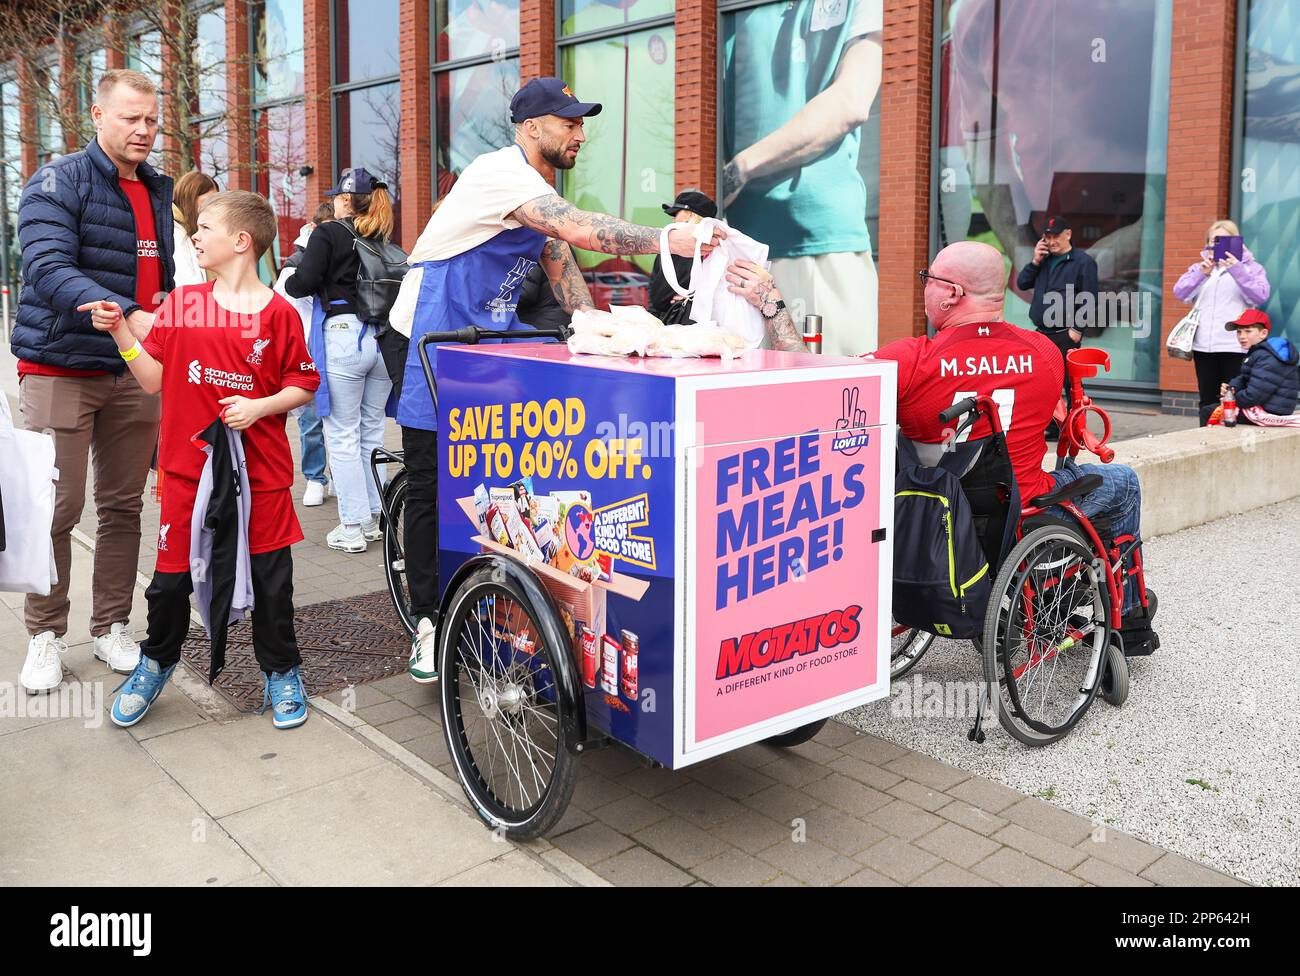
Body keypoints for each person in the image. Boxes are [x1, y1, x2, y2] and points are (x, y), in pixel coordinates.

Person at [395, 76, 725, 682]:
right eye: (568, 122)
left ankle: (497, 600)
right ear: (530, 128)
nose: (580, 133)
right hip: (434, 333)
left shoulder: (536, 186)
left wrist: (594, 328)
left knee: (497, 474)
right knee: (430, 483)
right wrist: (670, 239)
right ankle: (426, 623)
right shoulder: (500, 172)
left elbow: (559, 257)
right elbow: (574, 228)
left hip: (489, 342)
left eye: (582, 123)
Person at [81, 190, 320, 729]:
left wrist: (260, 405)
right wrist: (121, 332)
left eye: (205, 226)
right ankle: (156, 661)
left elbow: (304, 383)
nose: (195, 235)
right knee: (169, 582)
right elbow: (153, 380)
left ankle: (281, 671)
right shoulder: (185, 302)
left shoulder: (280, 314)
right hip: (188, 475)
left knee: (271, 578)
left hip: (262, 477)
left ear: (241, 241)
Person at [872, 242, 1156, 640]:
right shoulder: (1044, 352)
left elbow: (824, 387)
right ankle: (1128, 620)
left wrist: (773, 308)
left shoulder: (907, 360)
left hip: (932, 515)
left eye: (928, 279)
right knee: (1123, 482)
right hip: (1020, 513)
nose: (925, 288)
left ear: (952, 292)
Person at [11, 69, 173, 693]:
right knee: (56, 504)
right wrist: (129, 314)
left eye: (151, 119)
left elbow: (159, 278)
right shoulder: (55, 180)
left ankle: (109, 625)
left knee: (123, 505)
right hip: (60, 367)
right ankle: (45, 635)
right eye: (130, 117)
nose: (143, 130)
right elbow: (49, 268)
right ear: (98, 118)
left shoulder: (157, 189)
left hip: (131, 370)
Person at [722, 0, 883, 355]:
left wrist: (738, 170)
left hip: (819, 240)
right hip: (744, 248)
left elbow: (852, 101)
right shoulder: (735, 13)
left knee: (838, 394)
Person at [284, 168, 398, 553]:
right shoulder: (382, 238)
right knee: (370, 434)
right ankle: (373, 519)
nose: (333, 199)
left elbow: (300, 282)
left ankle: (352, 526)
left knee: (343, 437)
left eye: (337, 195)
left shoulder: (330, 232)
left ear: (346, 200)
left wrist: (295, 280)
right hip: (381, 340)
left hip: (342, 336)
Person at [1172, 219, 1272, 426]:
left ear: (1236, 242)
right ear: (1207, 244)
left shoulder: (1250, 268)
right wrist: (1201, 273)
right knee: (1207, 400)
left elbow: (1260, 295)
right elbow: (1179, 292)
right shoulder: (1201, 269)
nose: (1217, 246)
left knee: (1234, 399)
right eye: (1213, 241)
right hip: (1204, 346)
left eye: (1224, 240)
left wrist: (1236, 268)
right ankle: (1206, 439)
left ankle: (1232, 441)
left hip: (1234, 345)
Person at [1015, 215, 1099, 436]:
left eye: (1055, 237)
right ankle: (1053, 425)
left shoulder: (1083, 262)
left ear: (1068, 234)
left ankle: (1075, 428)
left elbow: (1091, 299)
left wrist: (1077, 330)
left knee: (1071, 385)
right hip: (1042, 334)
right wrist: (1035, 261)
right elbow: (1022, 282)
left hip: (1065, 334)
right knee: (1044, 383)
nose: (1051, 242)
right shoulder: (1043, 260)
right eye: (1047, 237)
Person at [278, 199, 335, 505]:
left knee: (340, 419)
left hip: (337, 348)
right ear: (313, 229)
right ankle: (315, 477)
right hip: (308, 352)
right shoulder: (295, 267)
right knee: (310, 419)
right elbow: (284, 313)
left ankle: (338, 474)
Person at [648, 189, 716, 323]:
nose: (673, 219)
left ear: (690, 215)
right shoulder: (721, 247)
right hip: (711, 328)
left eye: (676, 213)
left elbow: (658, 298)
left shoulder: (676, 249)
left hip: (679, 328)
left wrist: (691, 298)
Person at [1219, 309, 1299, 424]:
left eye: (1248, 331)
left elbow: (1253, 396)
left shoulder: (1268, 356)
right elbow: (1244, 378)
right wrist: (1231, 388)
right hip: (1264, 408)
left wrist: (1231, 396)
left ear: (1264, 333)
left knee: (1210, 411)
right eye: (1239, 332)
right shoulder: (1257, 352)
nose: (1242, 336)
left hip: (1271, 413)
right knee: (1215, 409)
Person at [172, 170, 219, 286]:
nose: (212, 207)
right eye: (207, 201)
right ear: (189, 199)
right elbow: (186, 281)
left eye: (216, 202)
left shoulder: (195, 231)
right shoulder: (175, 233)